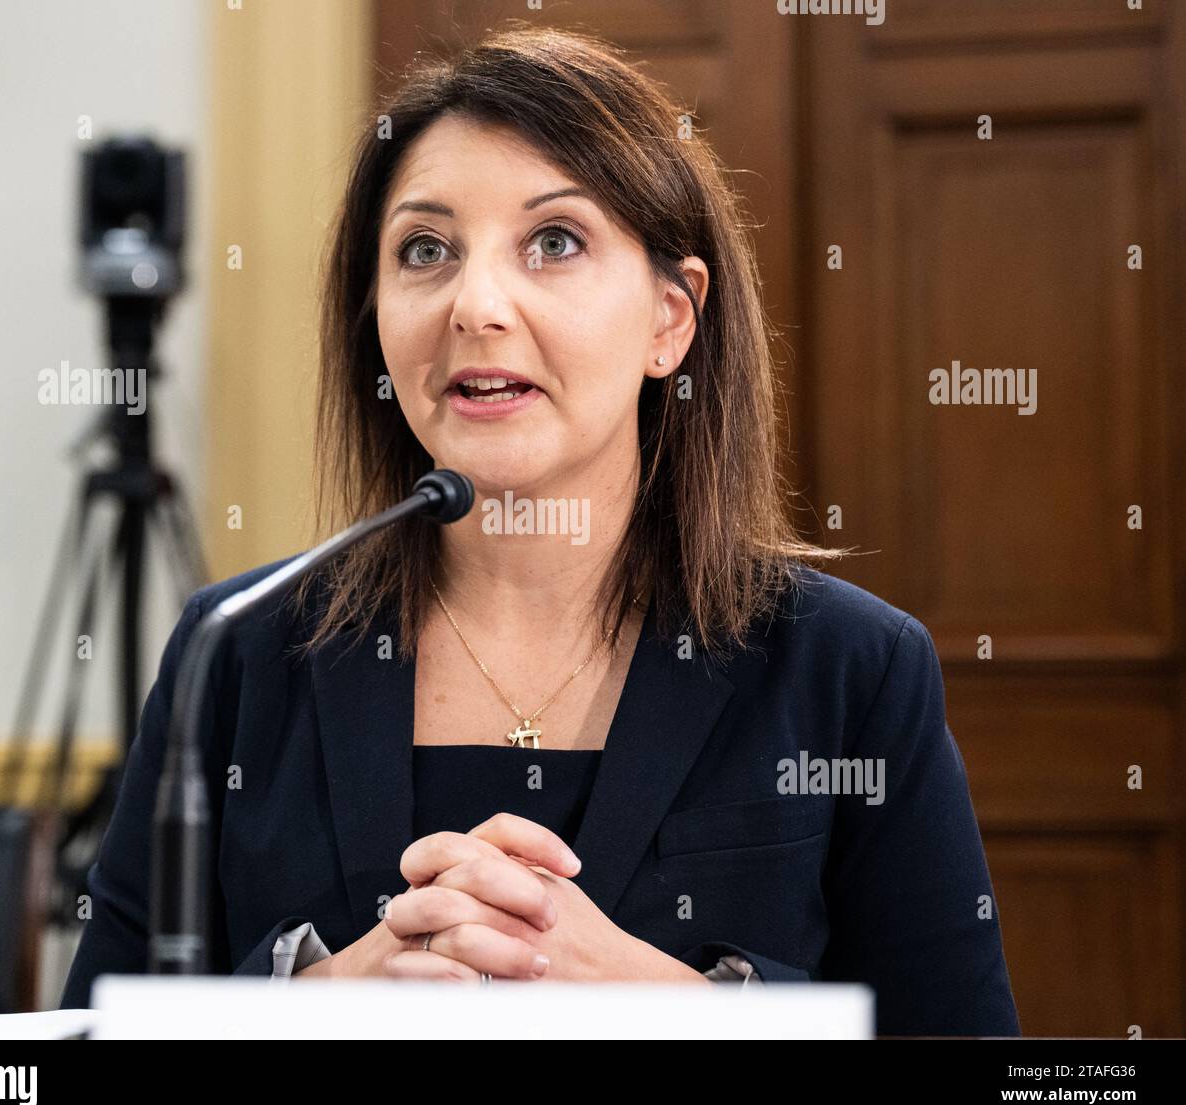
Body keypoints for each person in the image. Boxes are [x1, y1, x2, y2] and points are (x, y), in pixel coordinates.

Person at [62, 26, 1019, 1036]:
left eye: (553, 242)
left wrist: (680, 1010)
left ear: (670, 318)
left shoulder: (846, 667)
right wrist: (322, 1004)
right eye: (425, 250)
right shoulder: (238, 648)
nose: (475, 305)